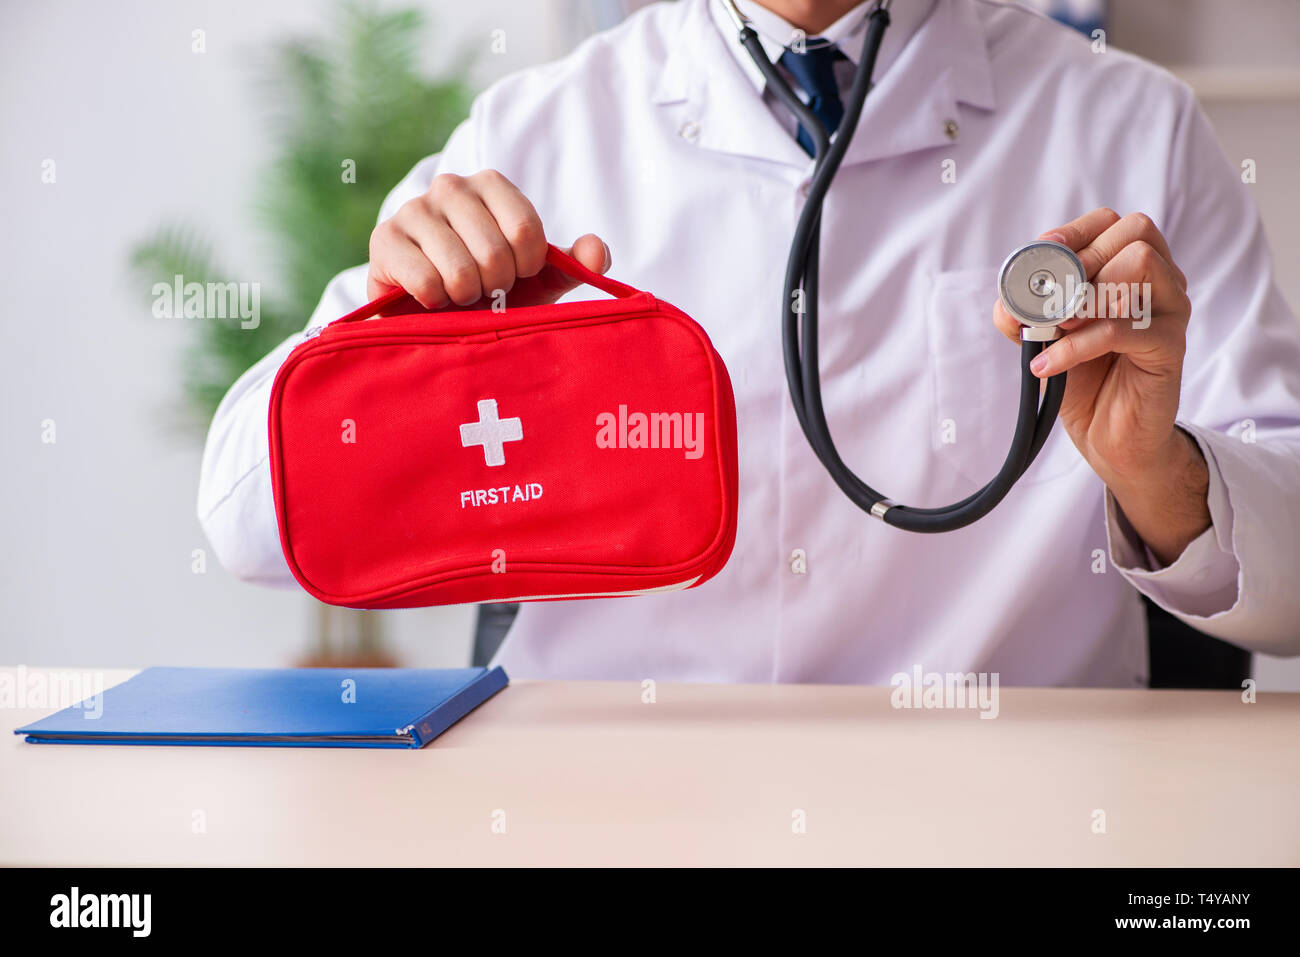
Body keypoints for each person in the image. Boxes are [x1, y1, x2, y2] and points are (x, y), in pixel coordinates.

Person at [198, 0, 1300, 685]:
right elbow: (248, 524)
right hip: (607, 815)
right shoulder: (534, 133)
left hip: (997, 813)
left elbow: (1291, 593)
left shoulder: (1129, 124)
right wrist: (398, 347)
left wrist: (1161, 474)